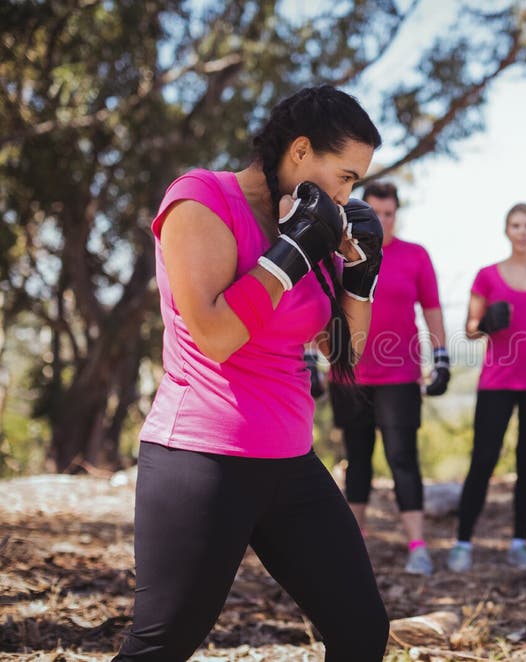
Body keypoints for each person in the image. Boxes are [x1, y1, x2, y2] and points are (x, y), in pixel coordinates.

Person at [114, 85, 390, 661]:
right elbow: (214, 335)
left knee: (362, 631)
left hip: (291, 463)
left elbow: (343, 353)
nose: (346, 195)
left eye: (354, 183)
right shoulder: (200, 199)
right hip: (202, 458)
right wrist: (290, 252)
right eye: (342, 176)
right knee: (161, 647)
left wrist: (361, 278)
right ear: (299, 151)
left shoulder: (307, 224)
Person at [326, 180, 449, 577]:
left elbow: (431, 309)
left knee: (402, 458)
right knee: (358, 462)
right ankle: (352, 547)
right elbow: (319, 310)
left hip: (400, 374)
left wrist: (441, 357)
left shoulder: (415, 256)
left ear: (397, 213)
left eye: (389, 214)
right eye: (374, 213)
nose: (381, 221)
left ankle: (417, 547)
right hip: (349, 374)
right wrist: (310, 362)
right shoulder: (337, 255)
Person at [446, 203, 526, 572]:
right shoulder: (487, 276)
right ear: (507, 230)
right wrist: (485, 321)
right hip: (498, 380)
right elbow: (471, 329)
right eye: (515, 225)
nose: (521, 231)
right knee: (484, 459)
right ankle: (462, 543)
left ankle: (520, 543)